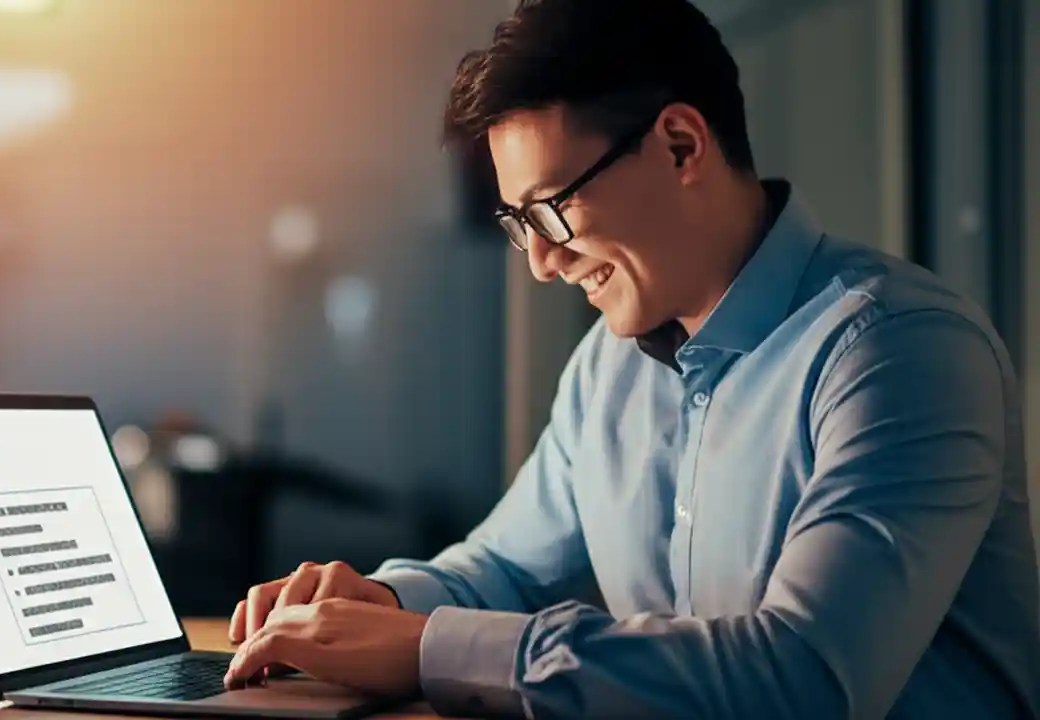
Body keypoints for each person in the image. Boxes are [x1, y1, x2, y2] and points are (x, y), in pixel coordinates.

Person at [223, 0, 1040, 716]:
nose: (542, 263)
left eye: (550, 210)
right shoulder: (607, 370)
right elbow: (505, 564)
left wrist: (426, 646)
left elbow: (804, 680)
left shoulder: (898, 351)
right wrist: (380, 600)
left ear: (682, 145)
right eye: (520, 223)